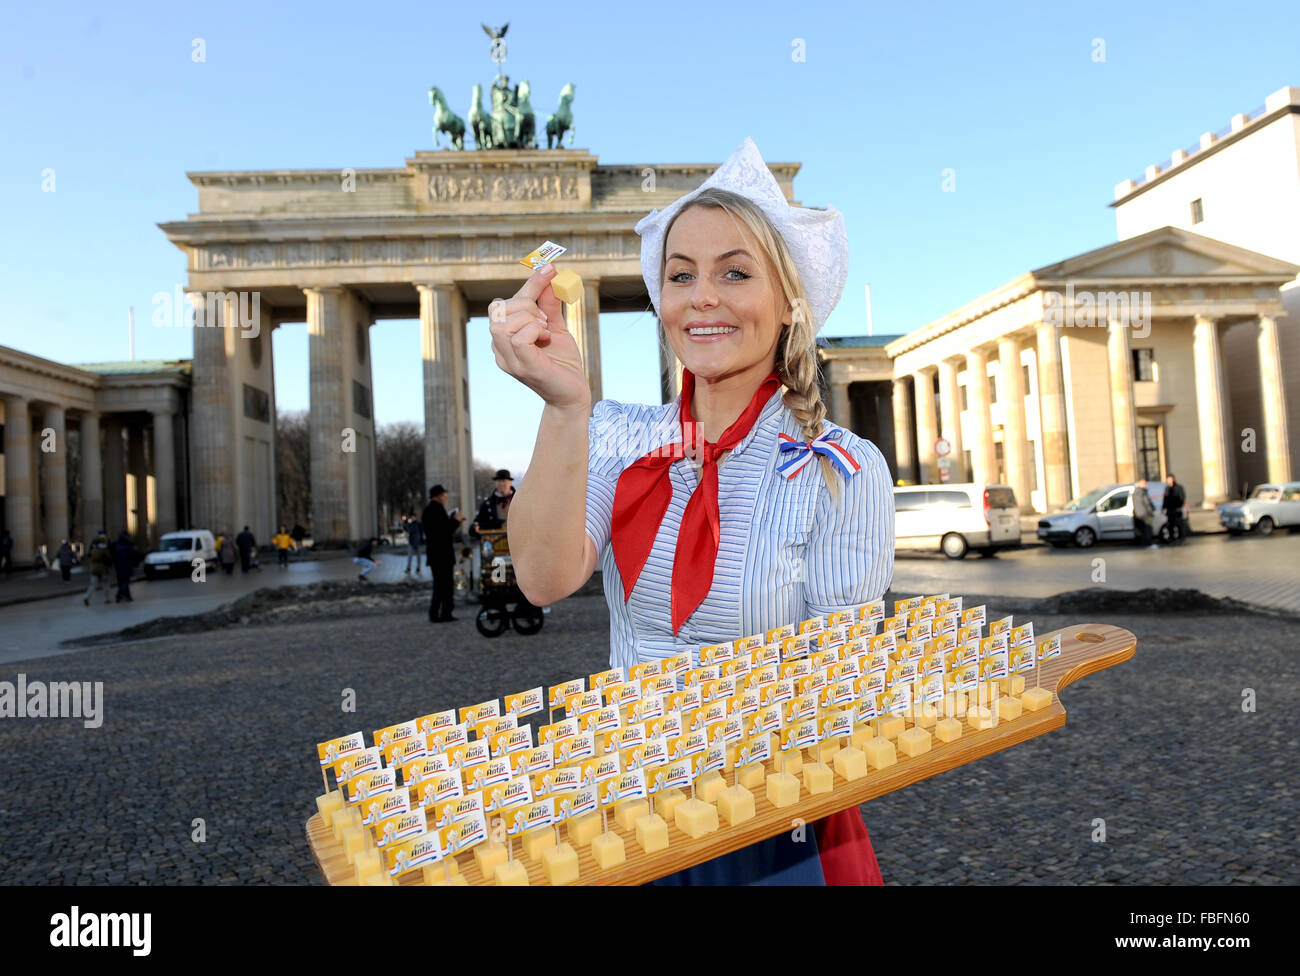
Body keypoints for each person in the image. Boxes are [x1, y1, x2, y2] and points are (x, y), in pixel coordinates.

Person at [489, 137, 893, 885]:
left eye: (735, 272)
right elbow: (541, 580)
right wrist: (564, 405)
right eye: (681, 276)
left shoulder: (840, 470)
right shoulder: (612, 433)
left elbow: (844, 692)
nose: (702, 297)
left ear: (790, 303)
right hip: (627, 811)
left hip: (776, 821)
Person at [422, 484, 463, 622]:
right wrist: (455, 521)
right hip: (441, 556)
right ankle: (440, 613)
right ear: (437, 496)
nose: (445, 499)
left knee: (441, 586)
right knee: (443, 586)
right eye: (444, 496)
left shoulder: (430, 510)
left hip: (437, 556)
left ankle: (441, 613)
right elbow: (444, 532)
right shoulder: (435, 510)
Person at [469, 470, 515, 538]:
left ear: (510, 483)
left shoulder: (519, 501)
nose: (501, 484)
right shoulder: (487, 504)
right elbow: (477, 523)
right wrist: (475, 527)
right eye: (499, 481)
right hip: (495, 543)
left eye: (504, 481)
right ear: (495, 484)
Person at [84, 531, 113, 605]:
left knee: (93, 584)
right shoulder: (104, 550)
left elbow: (89, 556)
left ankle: (87, 597)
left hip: (94, 568)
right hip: (103, 568)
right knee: (105, 584)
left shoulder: (94, 549)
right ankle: (107, 599)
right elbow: (108, 558)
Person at [1162, 472, 1187, 545]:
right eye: (1167, 480)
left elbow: (1182, 497)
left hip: (1177, 509)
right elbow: (1165, 499)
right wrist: (1163, 508)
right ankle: (1172, 538)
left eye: (1170, 479)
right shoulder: (1167, 488)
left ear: (1173, 479)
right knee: (1170, 525)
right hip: (1169, 510)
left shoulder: (1179, 487)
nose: (1169, 481)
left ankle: (1181, 538)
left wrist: (1180, 507)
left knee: (1179, 524)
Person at [112, 530, 137, 602]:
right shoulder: (128, 546)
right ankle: (119, 593)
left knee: (122, 581)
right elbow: (133, 555)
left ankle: (126, 596)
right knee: (126, 581)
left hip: (119, 566)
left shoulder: (118, 546)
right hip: (127, 566)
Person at [1132, 478, 1157, 549]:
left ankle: (1145, 544)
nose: (1145, 485)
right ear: (1140, 483)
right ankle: (1148, 544)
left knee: (1144, 530)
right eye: (1144, 483)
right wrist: (1151, 512)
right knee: (1148, 529)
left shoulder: (1136, 492)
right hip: (1146, 514)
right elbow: (1147, 503)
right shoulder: (1141, 492)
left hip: (1140, 514)